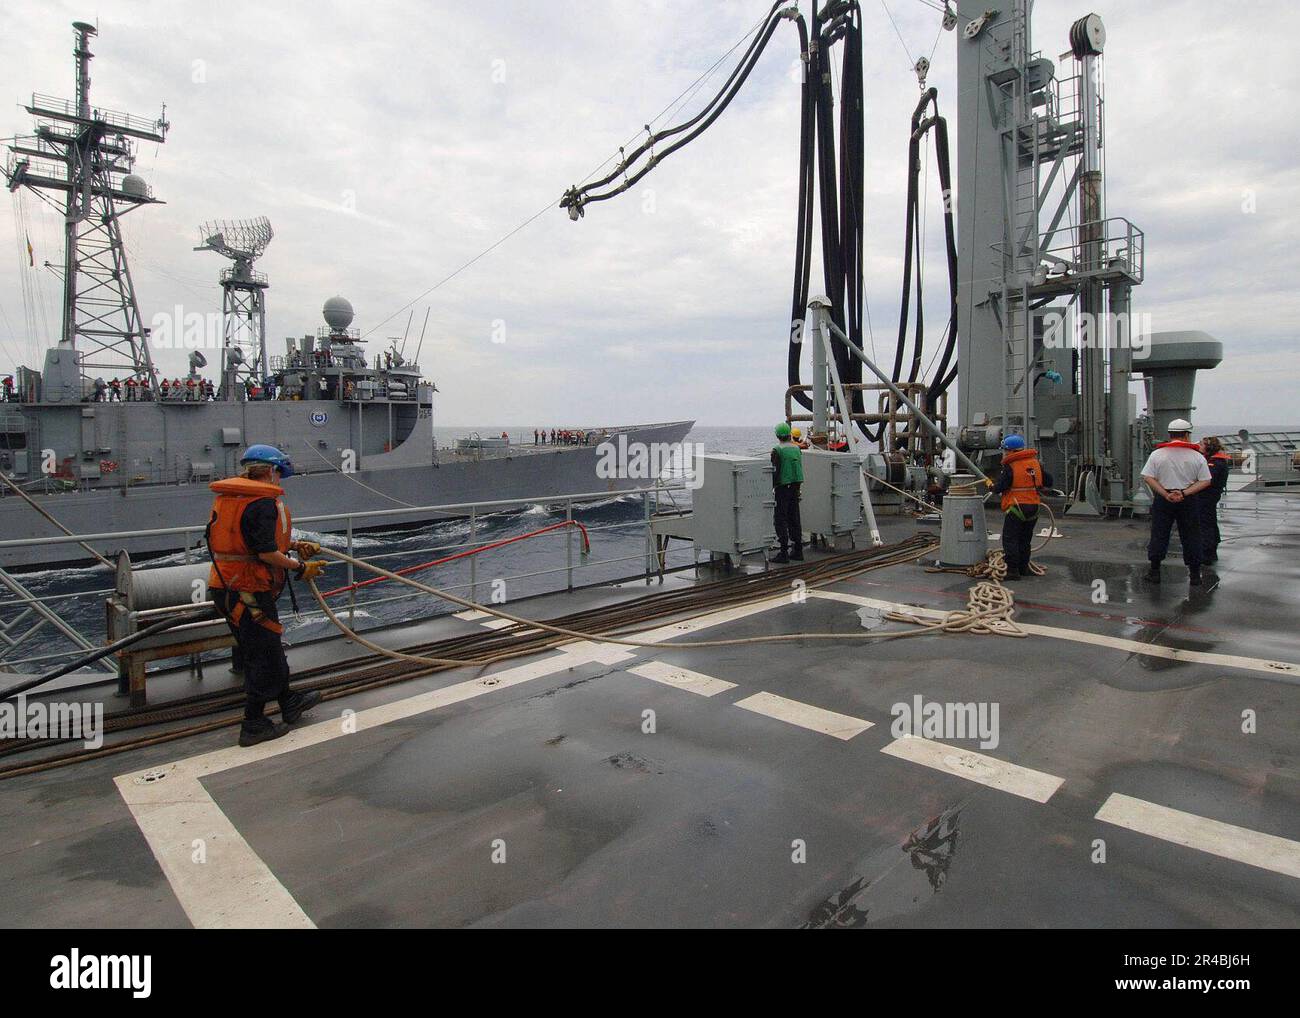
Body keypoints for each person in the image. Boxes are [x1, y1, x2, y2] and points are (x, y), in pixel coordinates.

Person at [206, 444, 326, 746]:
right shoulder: (261, 503)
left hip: (229, 587)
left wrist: (294, 545)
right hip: (248, 592)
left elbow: (247, 543)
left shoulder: (233, 499)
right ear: (271, 471)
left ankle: (288, 700)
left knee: (267, 649)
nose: (279, 480)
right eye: (279, 473)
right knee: (263, 657)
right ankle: (253, 723)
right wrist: (300, 566)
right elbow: (264, 552)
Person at [1140, 418, 1211, 586]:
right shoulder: (1197, 456)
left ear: (1170, 434)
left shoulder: (1157, 454)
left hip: (1164, 500)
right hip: (1188, 500)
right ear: (1187, 435)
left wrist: (1165, 494)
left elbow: (1147, 477)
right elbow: (1206, 481)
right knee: (1191, 535)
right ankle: (1195, 575)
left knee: (1159, 534)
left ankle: (1155, 572)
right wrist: (1184, 493)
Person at [990, 434, 1052, 581]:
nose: (1004, 453)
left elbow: (1000, 487)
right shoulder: (1036, 464)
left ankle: (1012, 570)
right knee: (1025, 539)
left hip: (1017, 507)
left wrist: (991, 486)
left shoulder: (1010, 466)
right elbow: (1049, 481)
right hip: (1034, 507)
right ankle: (1024, 568)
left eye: (1005, 450)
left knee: (1010, 539)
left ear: (1010, 451)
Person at [770, 422, 804, 563]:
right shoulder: (796, 449)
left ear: (777, 435)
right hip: (795, 486)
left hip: (783, 487)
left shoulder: (777, 450)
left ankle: (783, 552)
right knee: (794, 518)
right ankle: (798, 550)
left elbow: (775, 471)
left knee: (780, 519)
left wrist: (771, 487)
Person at [1199, 436, 1231, 564]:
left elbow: (1207, 480)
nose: (1199, 446)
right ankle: (1210, 550)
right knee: (1210, 522)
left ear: (1208, 447)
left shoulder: (1215, 463)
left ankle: (1208, 552)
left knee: (1206, 523)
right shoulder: (1216, 461)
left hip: (1207, 497)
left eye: (1201, 444)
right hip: (1211, 496)